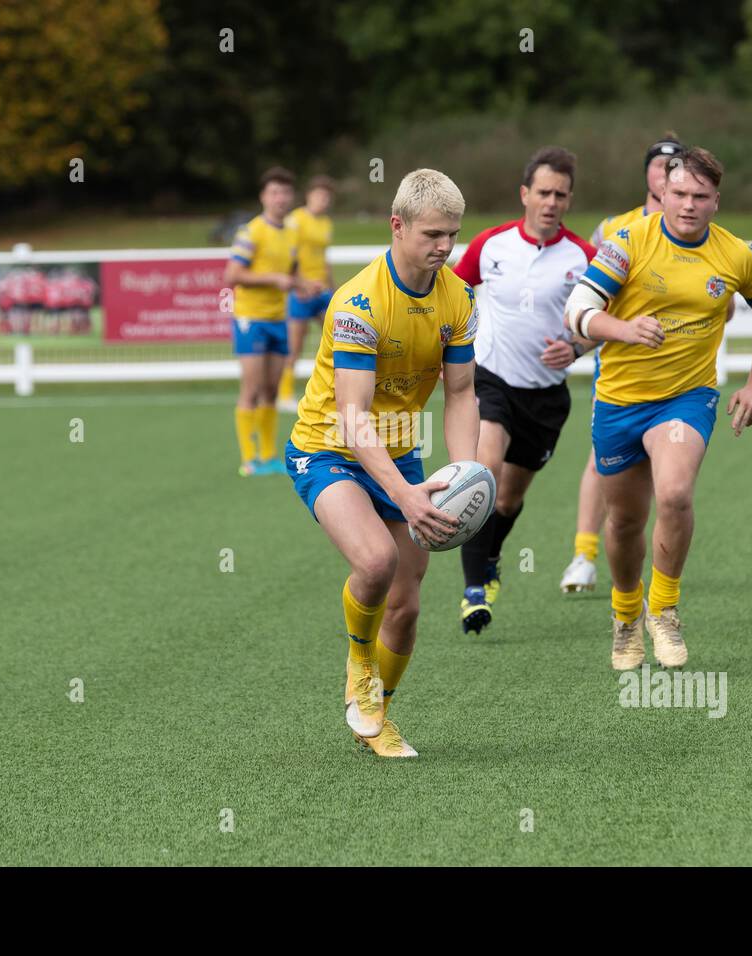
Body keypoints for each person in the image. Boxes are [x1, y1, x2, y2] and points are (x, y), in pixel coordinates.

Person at [563, 147, 752, 669]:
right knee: (623, 522)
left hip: (687, 397)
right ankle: (625, 616)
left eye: (699, 197)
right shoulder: (628, 243)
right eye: (679, 194)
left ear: (716, 202)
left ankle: (663, 609)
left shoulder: (737, 255)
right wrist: (623, 329)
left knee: (677, 494)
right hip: (619, 399)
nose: (687, 205)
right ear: (662, 193)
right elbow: (578, 309)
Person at [284, 169, 479, 757]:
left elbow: (463, 393)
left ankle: (379, 714)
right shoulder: (359, 302)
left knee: (409, 597)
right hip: (329, 448)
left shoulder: (458, 298)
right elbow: (352, 416)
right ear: (398, 226)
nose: (445, 247)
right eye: (433, 235)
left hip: (399, 447)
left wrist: (464, 477)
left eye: (452, 235)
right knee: (376, 560)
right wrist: (409, 494)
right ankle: (359, 665)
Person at [451, 146, 597, 634]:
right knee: (484, 471)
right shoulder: (490, 245)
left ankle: (491, 555)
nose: (551, 202)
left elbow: (603, 322)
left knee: (508, 500)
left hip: (546, 397)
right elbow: (450, 294)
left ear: (569, 200)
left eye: (560, 194)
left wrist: (576, 348)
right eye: (542, 192)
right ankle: (473, 591)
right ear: (524, 194)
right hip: (490, 380)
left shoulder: (583, 257)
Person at [560, 134, 682, 593]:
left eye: (676, 166)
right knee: (602, 461)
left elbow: (722, 304)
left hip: (676, 375)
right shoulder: (614, 230)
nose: (667, 174)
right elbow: (589, 302)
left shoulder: (694, 227)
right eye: (659, 165)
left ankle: (654, 566)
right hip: (619, 369)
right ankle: (584, 556)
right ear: (647, 174)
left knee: (669, 475)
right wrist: (575, 346)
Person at [225, 167, 311, 476]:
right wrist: (274, 279)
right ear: (264, 196)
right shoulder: (251, 232)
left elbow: (293, 272)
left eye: (286, 193)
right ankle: (249, 460)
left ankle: (269, 455)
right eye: (275, 192)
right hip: (251, 319)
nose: (281, 198)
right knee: (252, 387)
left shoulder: (291, 231)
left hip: (279, 319)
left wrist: (305, 286)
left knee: (272, 390)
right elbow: (232, 275)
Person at [278, 175, 335, 411]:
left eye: (327, 197)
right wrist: (300, 284)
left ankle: (333, 388)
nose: (323, 200)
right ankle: (284, 395)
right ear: (309, 196)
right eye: (319, 195)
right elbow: (288, 257)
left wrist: (333, 287)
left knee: (339, 337)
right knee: (295, 345)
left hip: (322, 291)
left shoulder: (326, 224)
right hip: (302, 292)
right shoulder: (295, 221)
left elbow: (324, 258)